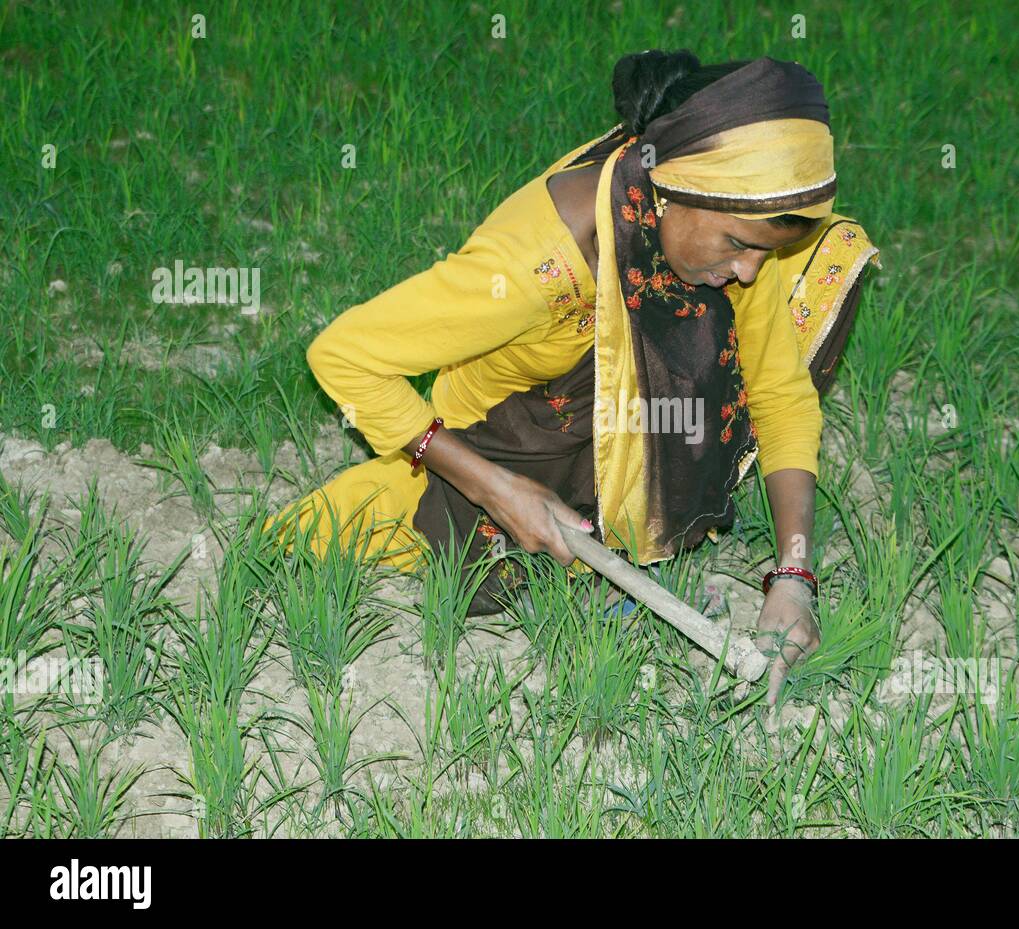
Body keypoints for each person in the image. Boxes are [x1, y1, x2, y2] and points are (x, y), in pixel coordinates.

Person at [266, 50, 882, 706]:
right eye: (739, 245)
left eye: (766, 249)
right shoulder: (540, 266)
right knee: (399, 548)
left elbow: (779, 392)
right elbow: (342, 355)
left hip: (609, 414)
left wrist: (793, 573)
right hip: (508, 435)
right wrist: (500, 491)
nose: (754, 271)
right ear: (675, 188)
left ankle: (615, 518)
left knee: (814, 276)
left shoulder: (727, 226)